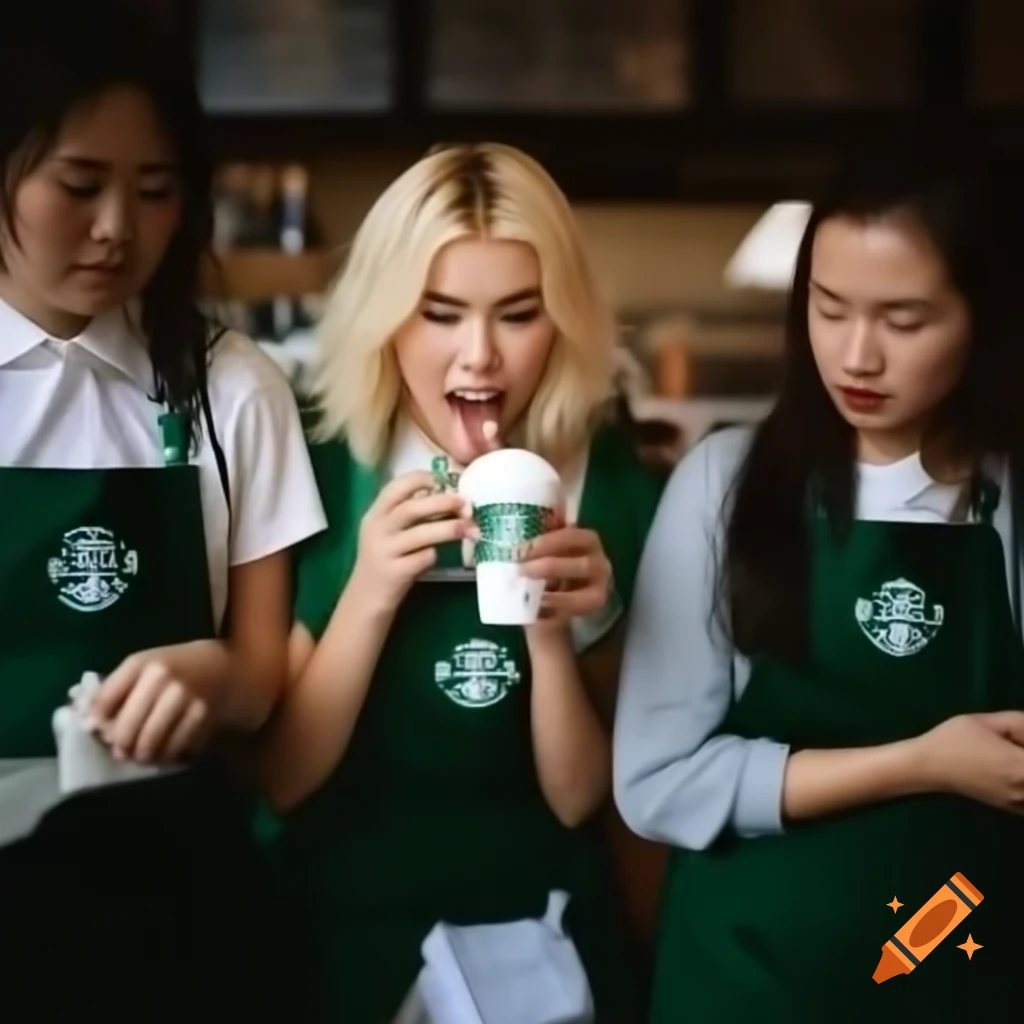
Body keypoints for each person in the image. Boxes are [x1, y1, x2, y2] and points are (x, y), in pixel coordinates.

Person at [614, 138, 1024, 1023]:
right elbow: (657, 783)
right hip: (749, 980)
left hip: (967, 975)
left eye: (905, 321)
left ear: (987, 317)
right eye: (829, 309)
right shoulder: (725, 482)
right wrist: (923, 763)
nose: (857, 356)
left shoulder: (1009, 497)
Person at [259, 142, 663, 1021]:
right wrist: (368, 589)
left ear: (561, 321)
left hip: (540, 930)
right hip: (341, 922)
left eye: (519, 315)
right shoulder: (321, 467)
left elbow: (582, 797)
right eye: (440, 314)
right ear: (386, 318)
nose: (479, 357)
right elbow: (279, 777)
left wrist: (550, 628)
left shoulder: (614, 485)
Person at [0, 2, 325, 1018]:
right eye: (80, 185)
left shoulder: (232, 389)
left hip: (171, 893)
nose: (115, 230)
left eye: (153, 192)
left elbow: (266, 673)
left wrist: (213, 671)